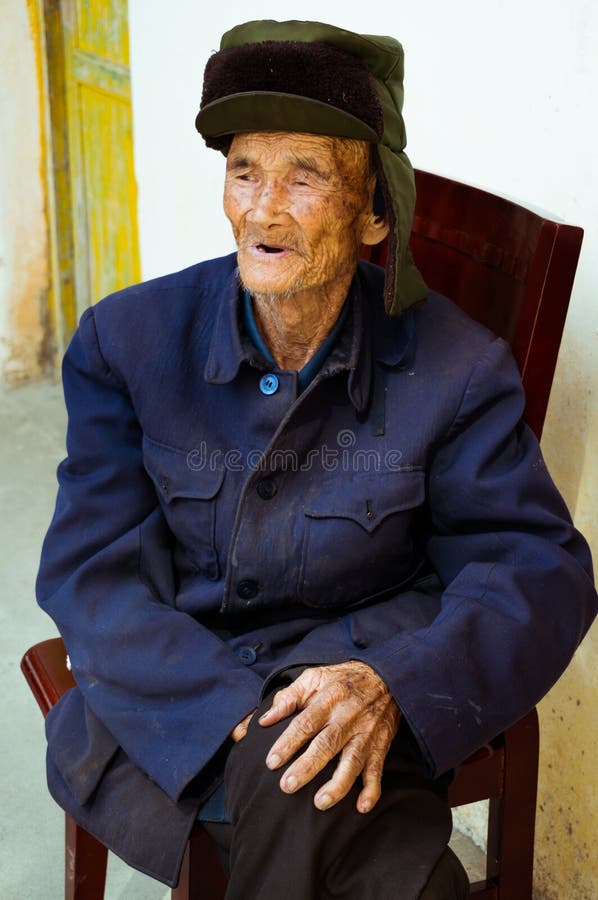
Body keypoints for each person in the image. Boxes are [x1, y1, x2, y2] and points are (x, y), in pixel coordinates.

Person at [36, 19, 596, 899]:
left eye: (304, 177)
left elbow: (537, 570)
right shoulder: (127, 342)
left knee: (308, 777)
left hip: (354, 671)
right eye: (244, 171)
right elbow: (91, 574)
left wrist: (394, 682)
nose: (263, 209)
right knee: (345, 817)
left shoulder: (455, 368)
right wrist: (237, 720)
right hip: (171, 697)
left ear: (373, 213)